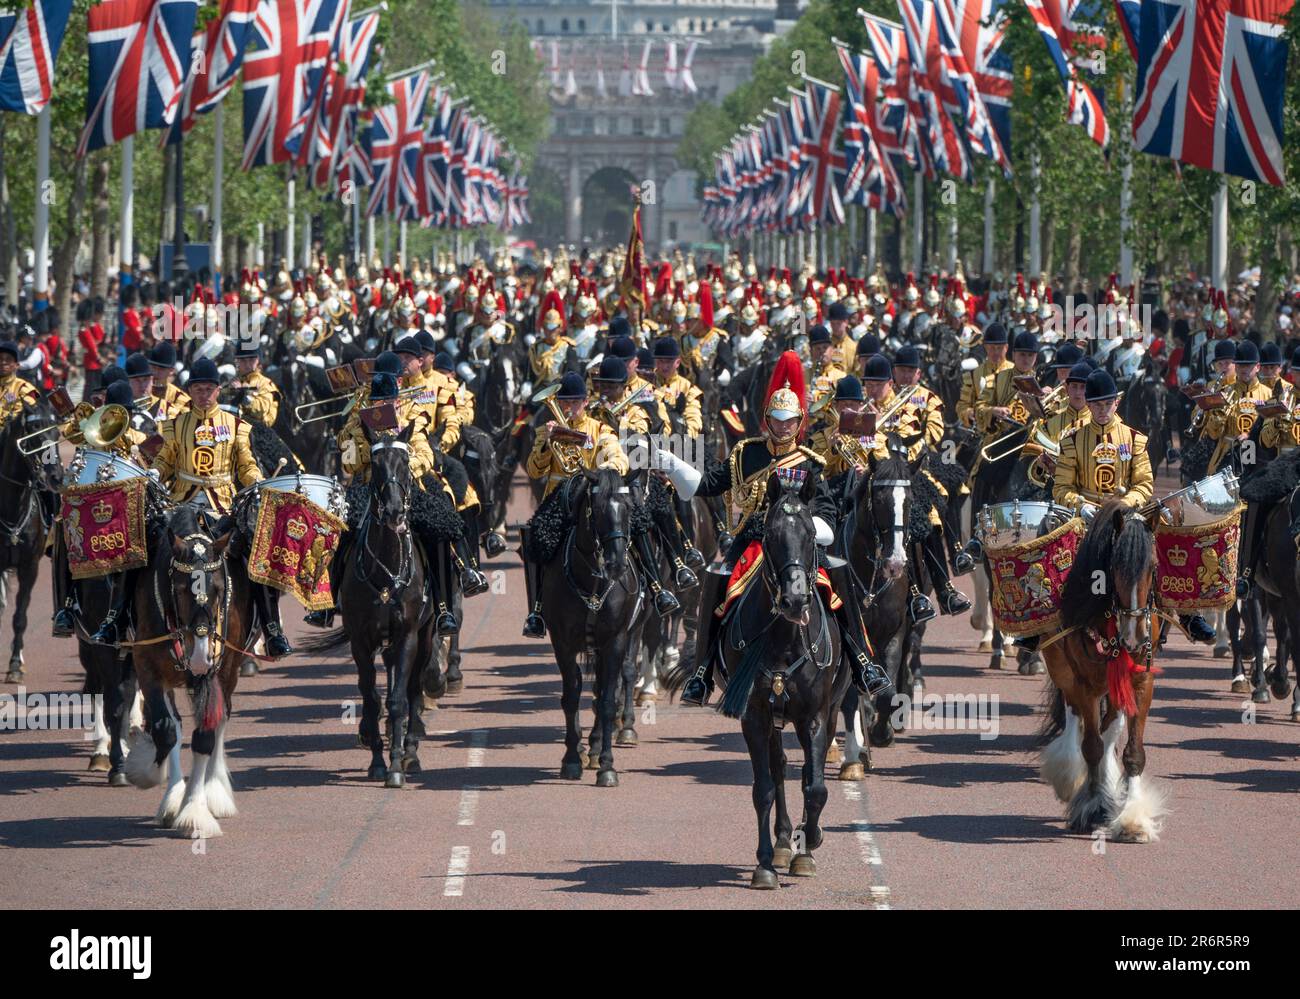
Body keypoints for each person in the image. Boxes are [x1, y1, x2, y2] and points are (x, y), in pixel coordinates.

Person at [671, 351, 891, 706]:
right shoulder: (746, 454)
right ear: (767, 419)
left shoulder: (809, 462)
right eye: (778, 419)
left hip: (798, 545)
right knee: (716, 582)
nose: (784, 426)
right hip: (752, 542)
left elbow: (824, 508)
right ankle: (701, 671)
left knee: (839, 580)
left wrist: (810, 528)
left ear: (799, 420)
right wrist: (671, 464)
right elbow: (711, 482)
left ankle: (862, 661)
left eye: (790, 420)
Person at [1052, 368, 1215, 646]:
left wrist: (1124, 507)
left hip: (1129, 514)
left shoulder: (1135, 439)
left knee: (1167, 540)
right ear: (1088, 405)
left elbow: (1143, 484)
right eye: (1096, 405)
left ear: (1116, 402)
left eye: (1107, 404)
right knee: (1057, 555)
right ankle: (1042, 621)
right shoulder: (1071, 442)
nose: (1102, 410)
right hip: (1087, 515)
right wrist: (1078, 505)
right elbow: (1061, 488)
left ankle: (1188, 613)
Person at [143, 358, 292, 657]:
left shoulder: (236, 425)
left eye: (209, 389)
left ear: (218, 391)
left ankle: (272, 628)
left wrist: (255, 481)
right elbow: (165, 459)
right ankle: (125, 619)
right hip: (182, 505)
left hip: (222, 507)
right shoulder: (174, 426)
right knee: (146, 545)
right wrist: (155, 473)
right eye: (198, 389)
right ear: (190, 391)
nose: (204, 394)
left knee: (255, 552)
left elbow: (246, 463)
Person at [520, 371, 630, 638]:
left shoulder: (599, 428)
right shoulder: (546, 430)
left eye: (574, 402)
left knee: (627, 527)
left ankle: (649, 590)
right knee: (534, 539)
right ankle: (536, 610)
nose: (569, 408)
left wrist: (604, 473)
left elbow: (618, 458)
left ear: (585, 401)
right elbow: (534, 470)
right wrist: (546, 444)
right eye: (564, 402)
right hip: (558, 501)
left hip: (593, 498)